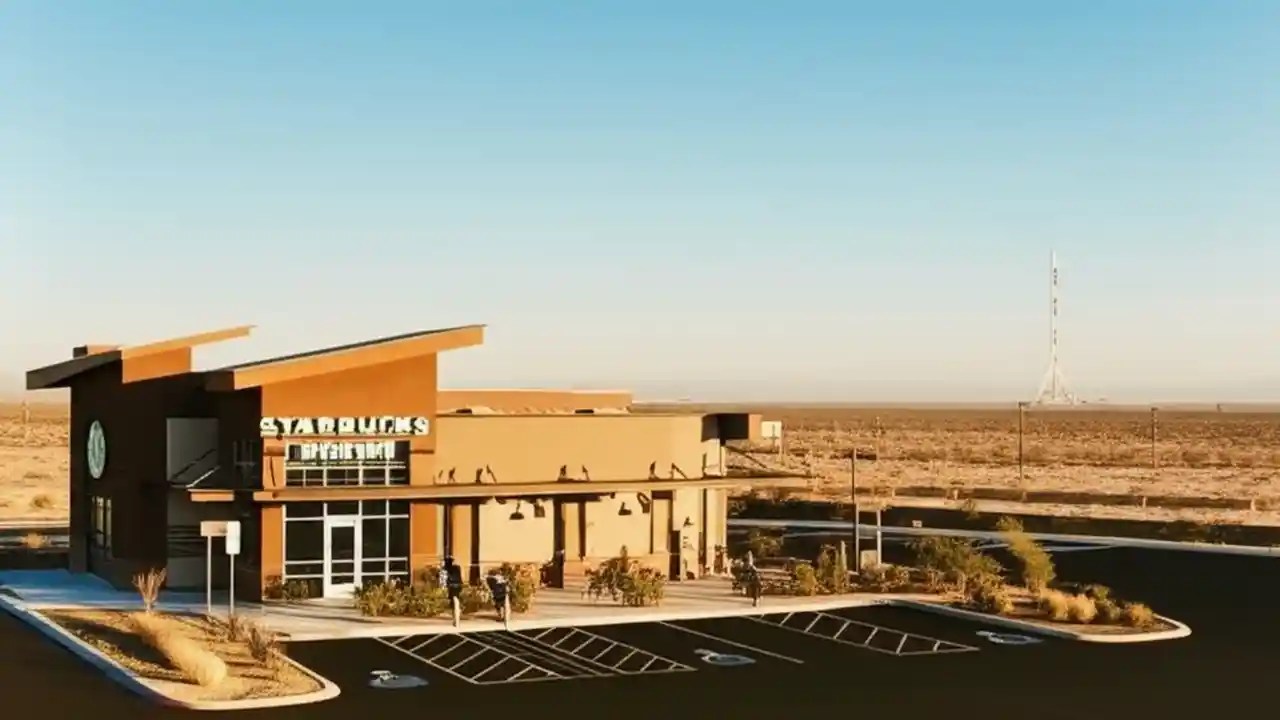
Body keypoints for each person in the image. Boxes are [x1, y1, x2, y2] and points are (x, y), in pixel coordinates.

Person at [443, 556, 463, 627]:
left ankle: (456, 620)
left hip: (452, 586)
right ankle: (457, 620)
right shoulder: (457, 567)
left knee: (454, 603)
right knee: (456, 601)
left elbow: (444, 580)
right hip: (459, 585)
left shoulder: (446, 569)